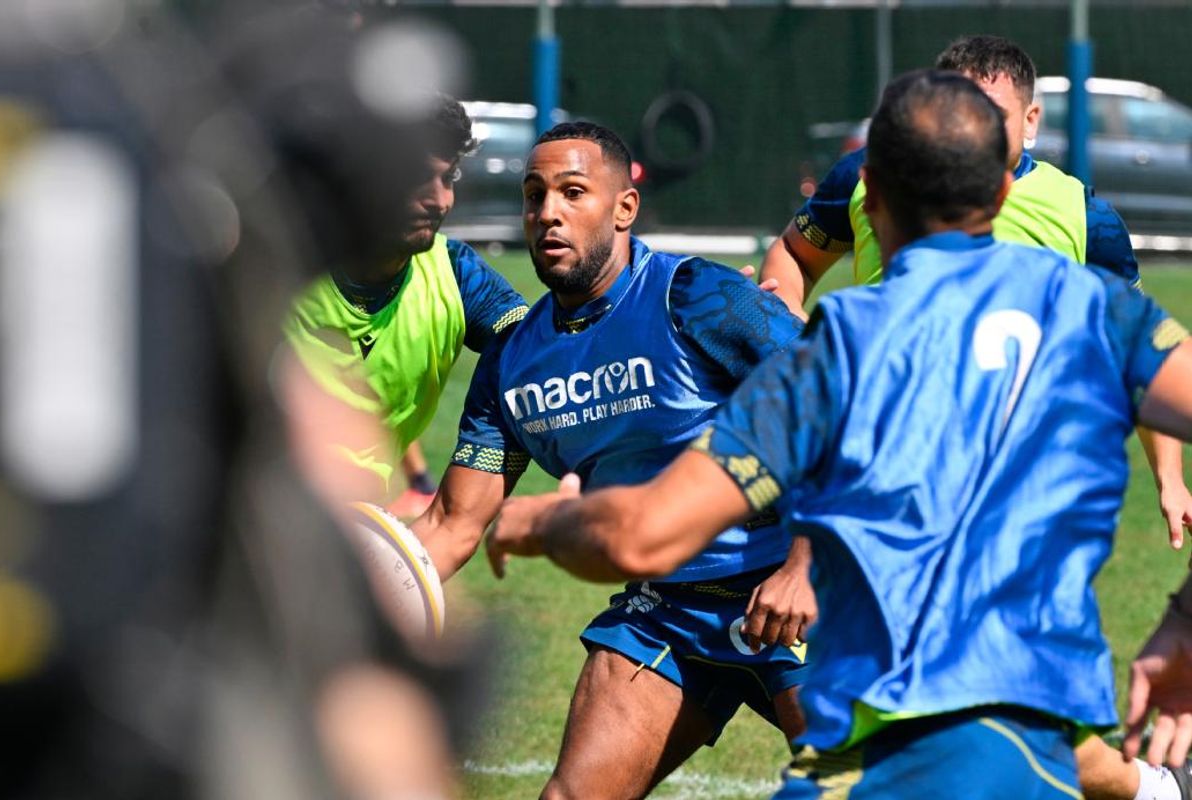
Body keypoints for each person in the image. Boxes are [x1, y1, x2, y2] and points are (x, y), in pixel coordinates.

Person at [488, 69, 1192, 799]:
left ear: (872, 195)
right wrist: (1185, 619)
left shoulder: (836, 356)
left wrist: (553, 520)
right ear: (1005, 193)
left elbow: (644, 537)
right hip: (1035, 749)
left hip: (889, 761)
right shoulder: (1099, 311)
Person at [761, 35, 1192, 800]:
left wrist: (1168, 474)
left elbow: (1145, 359)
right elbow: (793, 256)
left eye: (987, 117)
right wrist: (786, 327)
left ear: (1028, 123)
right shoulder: (868, 185)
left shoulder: (1080, 214)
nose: (963, 133)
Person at [413, 120, 812, 799]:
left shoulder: (700, 297)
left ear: (625, 207)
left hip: (792, 594)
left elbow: (845, 407)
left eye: (573, 192)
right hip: (667, 612)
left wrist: (807, 564)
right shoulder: (512, 363)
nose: (549, 214)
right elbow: (451, 524)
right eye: (534, 196)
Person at [283, 94, 528, 508]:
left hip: (350, 531)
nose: (438, 200)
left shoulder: (455, 274)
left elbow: (539, 349)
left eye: (448, 178)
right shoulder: (281, 267)